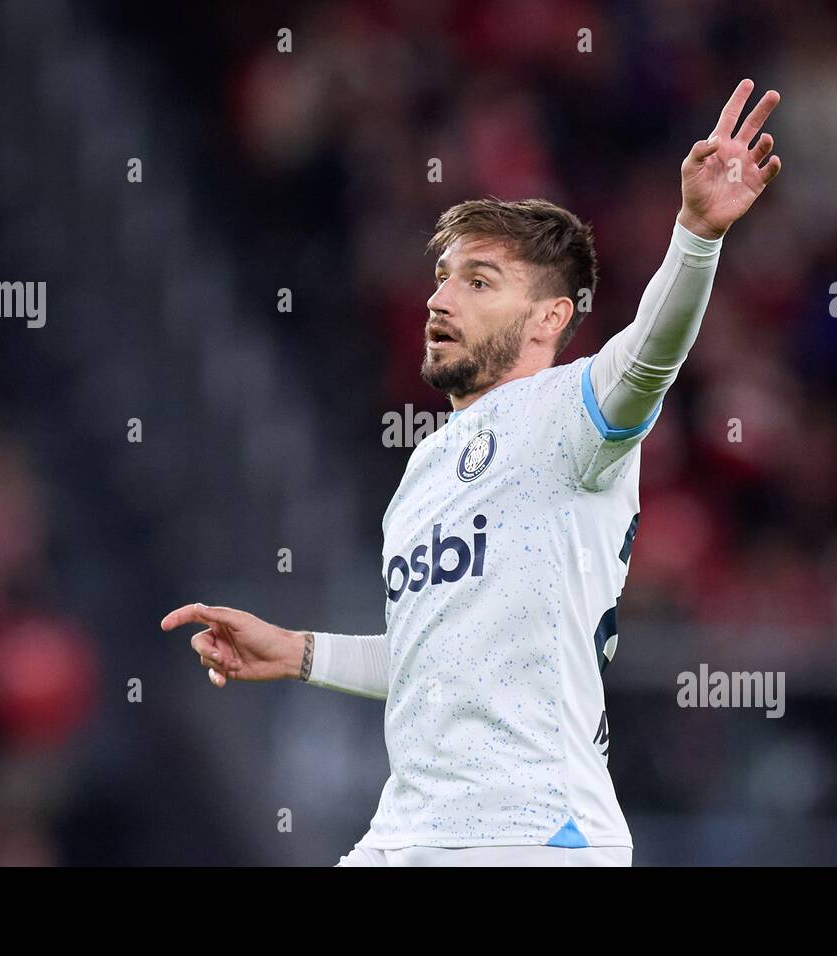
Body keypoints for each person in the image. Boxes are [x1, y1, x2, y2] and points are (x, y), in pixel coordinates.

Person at [162, 79, 782, 866]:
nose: (440, 299)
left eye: (478, 282)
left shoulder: (570, 415)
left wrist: (695, 235)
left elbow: (652, 355)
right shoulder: (424, 470)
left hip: (531, 834)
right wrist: (299, 652)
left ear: (550, 318)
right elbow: (437, 659)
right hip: (409, 835)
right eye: (443, 277)